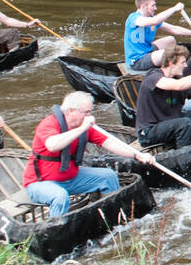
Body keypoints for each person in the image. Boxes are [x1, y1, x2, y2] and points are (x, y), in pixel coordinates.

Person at [23, 91, 154, 217]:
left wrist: (137, 155)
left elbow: (110, 143)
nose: (90, 117)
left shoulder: (84, 126)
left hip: (71, 178)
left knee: (108, 177)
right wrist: (82, 128)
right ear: (71, 111)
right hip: (39, 183)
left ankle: (113, 216)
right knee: (60, 196)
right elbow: (52, 145)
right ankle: (55, 232)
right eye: (86, 112)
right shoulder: (50, 124)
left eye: (91, 112)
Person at [124, 0, 191, 71]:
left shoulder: (151, 18)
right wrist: (174, 9)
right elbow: (155, 21)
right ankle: (174, 72)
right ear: (144, 6)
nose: (156, 8)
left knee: (170, 40)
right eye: (153, 5)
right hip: (137, 61)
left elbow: (173, 29)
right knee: (169, 54)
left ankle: (165, 63)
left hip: (147, 50)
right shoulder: (134, 19)